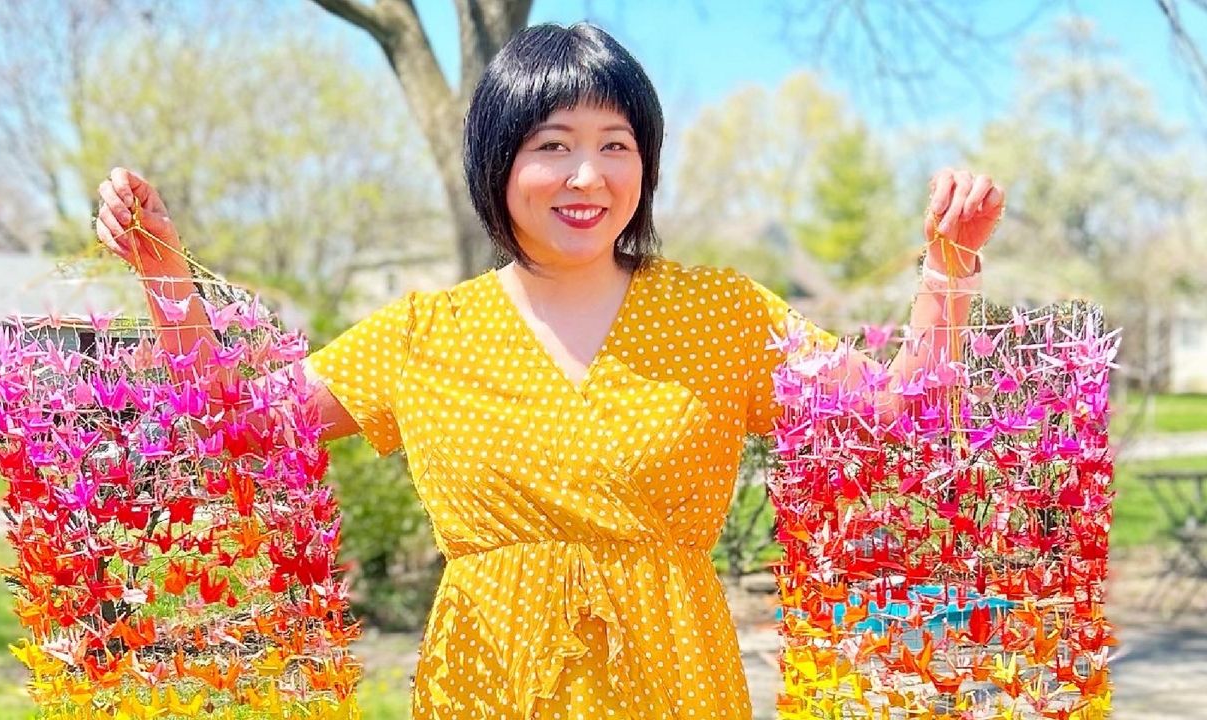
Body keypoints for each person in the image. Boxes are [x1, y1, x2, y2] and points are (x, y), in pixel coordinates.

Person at [95, 21, 1002, 720]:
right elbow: (237, 425)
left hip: (676, 685)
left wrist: (948, 265)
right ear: (499, 162)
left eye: (616, 144)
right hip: (486, 685)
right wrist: (164, 271)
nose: (587, 176)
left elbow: (895, 414)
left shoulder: (724, 312)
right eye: (553, 144)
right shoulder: (424, 332)